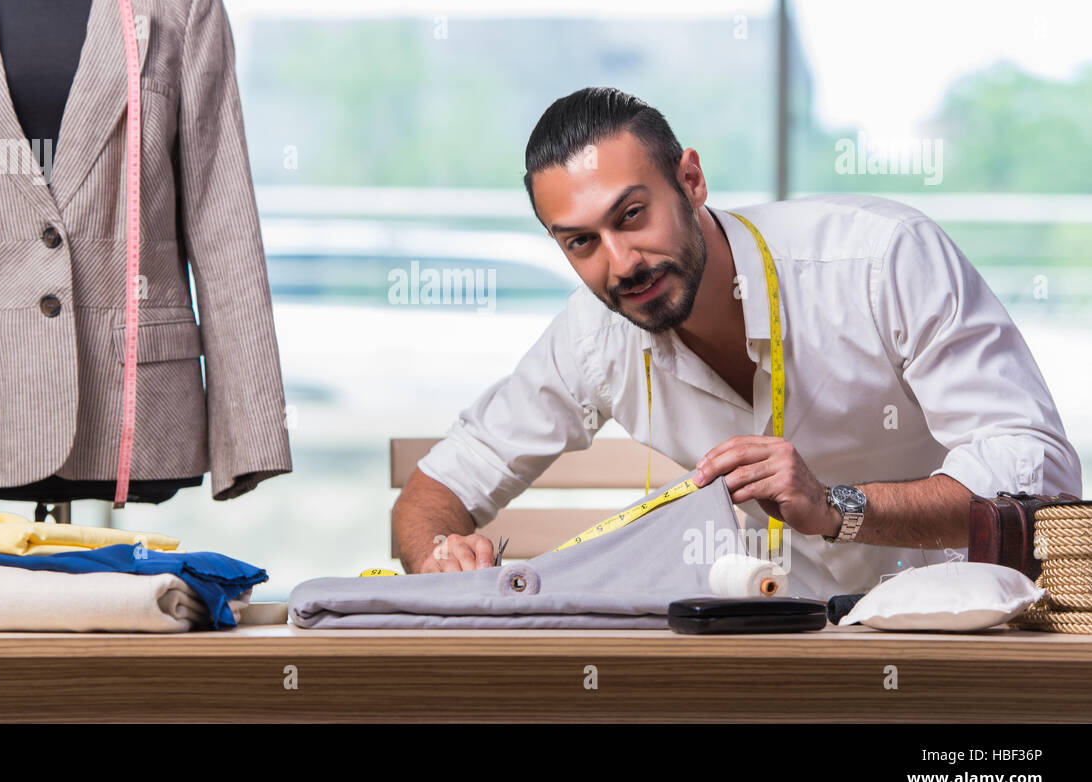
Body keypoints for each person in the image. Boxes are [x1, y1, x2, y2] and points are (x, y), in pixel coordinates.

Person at [392, 86, 1082, 597]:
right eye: (581, 242)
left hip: (956, 634)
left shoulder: (881, 259)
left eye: (632, 215)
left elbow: (1041, 466)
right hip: (776, 646)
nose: (620, 261)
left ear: (690, 181)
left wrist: (839, 506)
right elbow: (434, 488)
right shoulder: (593, 332)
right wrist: (440, 555)